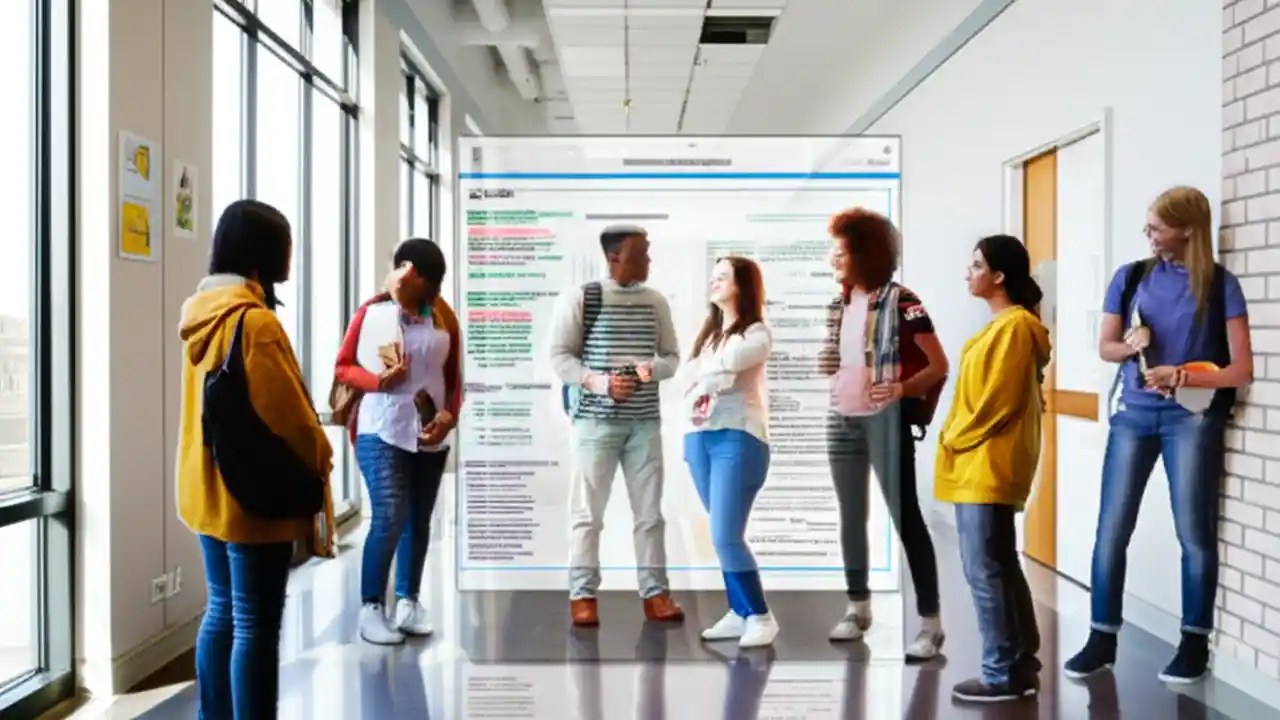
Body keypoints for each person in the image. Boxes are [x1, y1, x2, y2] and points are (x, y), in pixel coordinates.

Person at [1065, 186, 1253, 684]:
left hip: (1189, 420)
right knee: (1111, 530)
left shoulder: (1221, 286)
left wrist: (1182, 376)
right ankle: (1101, 637)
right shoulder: (1131, 278)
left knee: (1193, 533)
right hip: (1133, 416)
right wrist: (1131, 346)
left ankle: (1194, 645)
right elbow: (1105, 346)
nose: (1148, 234)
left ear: (1187, 229)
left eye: (1156, 227)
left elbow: (1240, 370)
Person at [177, 199, 335, 719]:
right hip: (252, 498)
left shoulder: (201, 313)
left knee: (221, 612)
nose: (292, 255)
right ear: (265, 252)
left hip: (206, 489)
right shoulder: (256, 323)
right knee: (255, 625)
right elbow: (287, 418)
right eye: (286, 243)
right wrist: (321, 452)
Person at [819, 208, 949, 661]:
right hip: (841, 419)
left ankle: (930, 624)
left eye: (840, 251)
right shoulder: (839, 302)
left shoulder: (903, 300)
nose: (833, 259)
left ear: (864, 252)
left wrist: (899, 388)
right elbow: (838, 359)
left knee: (905, 517)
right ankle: (858, 608)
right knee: (850, 515)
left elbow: (939, 366)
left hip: (884, 418)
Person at [549, 223, 684, 626]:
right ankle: (582, 593)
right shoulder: (582, 298)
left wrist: (649, 370)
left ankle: (655, 593)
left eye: (647, 252)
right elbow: (560, 357)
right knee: (587, 514)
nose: (648, 260)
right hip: (594, 423)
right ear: (613, 257)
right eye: (641, 253)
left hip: (644, 423)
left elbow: (672, 357)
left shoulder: (656, 301)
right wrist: (602, 382)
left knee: (650, 515)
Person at [936, 234, 1051, 703]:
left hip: (985, 461)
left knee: (984, 568)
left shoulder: (1015, 327)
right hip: (981, 460)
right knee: (999, 563)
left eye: (977, 265)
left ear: (999, 276)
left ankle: (1001, 672)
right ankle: (1020, 658)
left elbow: (995, 403)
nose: (968, 272)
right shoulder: (1004, 325)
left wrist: (952, 437)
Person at [334, 239, 463, 645]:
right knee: (389, 512)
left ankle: (408, 601)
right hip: (381, 428)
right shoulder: (373, 312)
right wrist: (377, 382)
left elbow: (457, 377)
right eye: (427, 280)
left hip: (428, 432)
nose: (433, 290)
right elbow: (343, 368)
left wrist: (449, 417)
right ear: (409, 274)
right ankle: (371, 606)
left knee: (418, 518)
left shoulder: (443, 316)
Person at [682, 256, 778, 648]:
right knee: (722, 534)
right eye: (713, 275)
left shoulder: (757, 333)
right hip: (699, 438)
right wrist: (707, 372)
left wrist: (705, 372)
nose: (714, 281)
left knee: (725, 535)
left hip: (738, 438)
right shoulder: (707, 335)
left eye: (723, 276)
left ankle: (760, 615)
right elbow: (686, 378)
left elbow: (734, 362)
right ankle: (739, 611)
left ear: (743, 285)